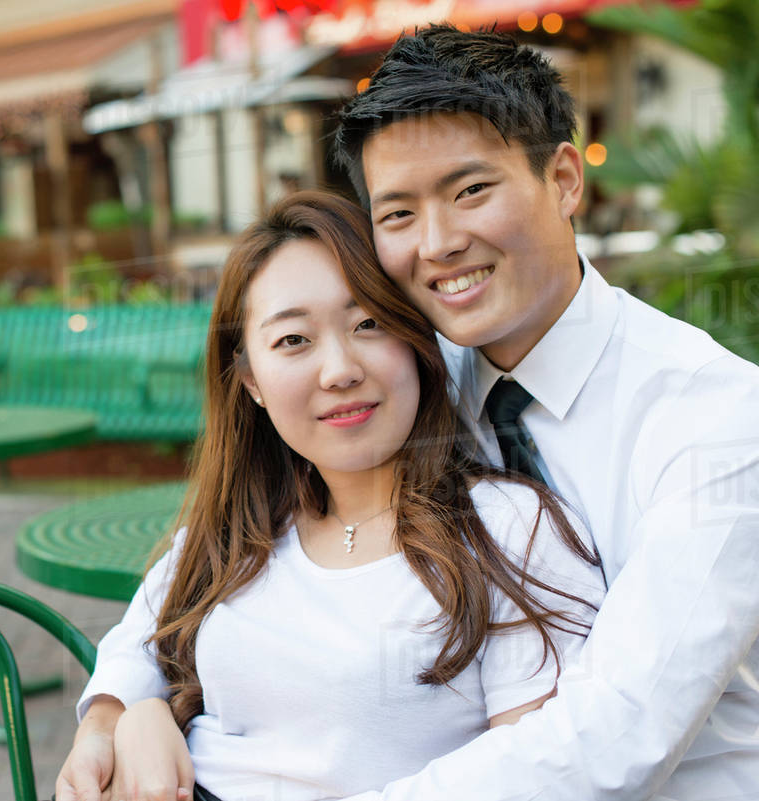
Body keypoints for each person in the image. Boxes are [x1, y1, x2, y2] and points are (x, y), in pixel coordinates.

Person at [325, 24, 759, 800]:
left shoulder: (716, 416)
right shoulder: (412, 385)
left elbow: (623, 735)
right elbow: (233, 531)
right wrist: (127, 696)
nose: (438, 243)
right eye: (397, 215)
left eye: (471, 191)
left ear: (563, 178)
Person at [55, 190, 605, 801]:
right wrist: (121, 721)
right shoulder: (241, 528)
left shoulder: (507, 532)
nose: (339, 369)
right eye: (293, 340)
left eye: (368, 323)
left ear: (417, 343)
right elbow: (141, 641)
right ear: (251, 383)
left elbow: (540, 772)